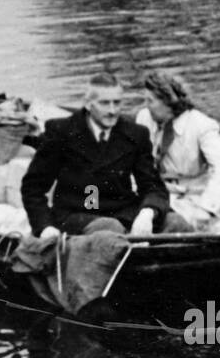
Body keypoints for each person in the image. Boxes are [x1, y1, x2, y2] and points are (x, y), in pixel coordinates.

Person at [21, 73, 184, 238]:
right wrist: (45, 227)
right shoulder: (61, 132)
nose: (112, 111)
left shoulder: (136, 134)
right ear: (88, 104)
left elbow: (152, 185)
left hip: (123, 211)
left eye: (117, 103)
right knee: (109, 230)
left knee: (176, 223)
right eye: (104, 103)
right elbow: (33, 188)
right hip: (75, 215)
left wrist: (147, 213)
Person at [134, 71, 220, 233]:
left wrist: (207, 208)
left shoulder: (201, 125)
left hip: (193, 199)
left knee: (172, 224)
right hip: (157, 193)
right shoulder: (144, 117)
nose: (146, 105)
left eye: (151, 101)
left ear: (168, 102)